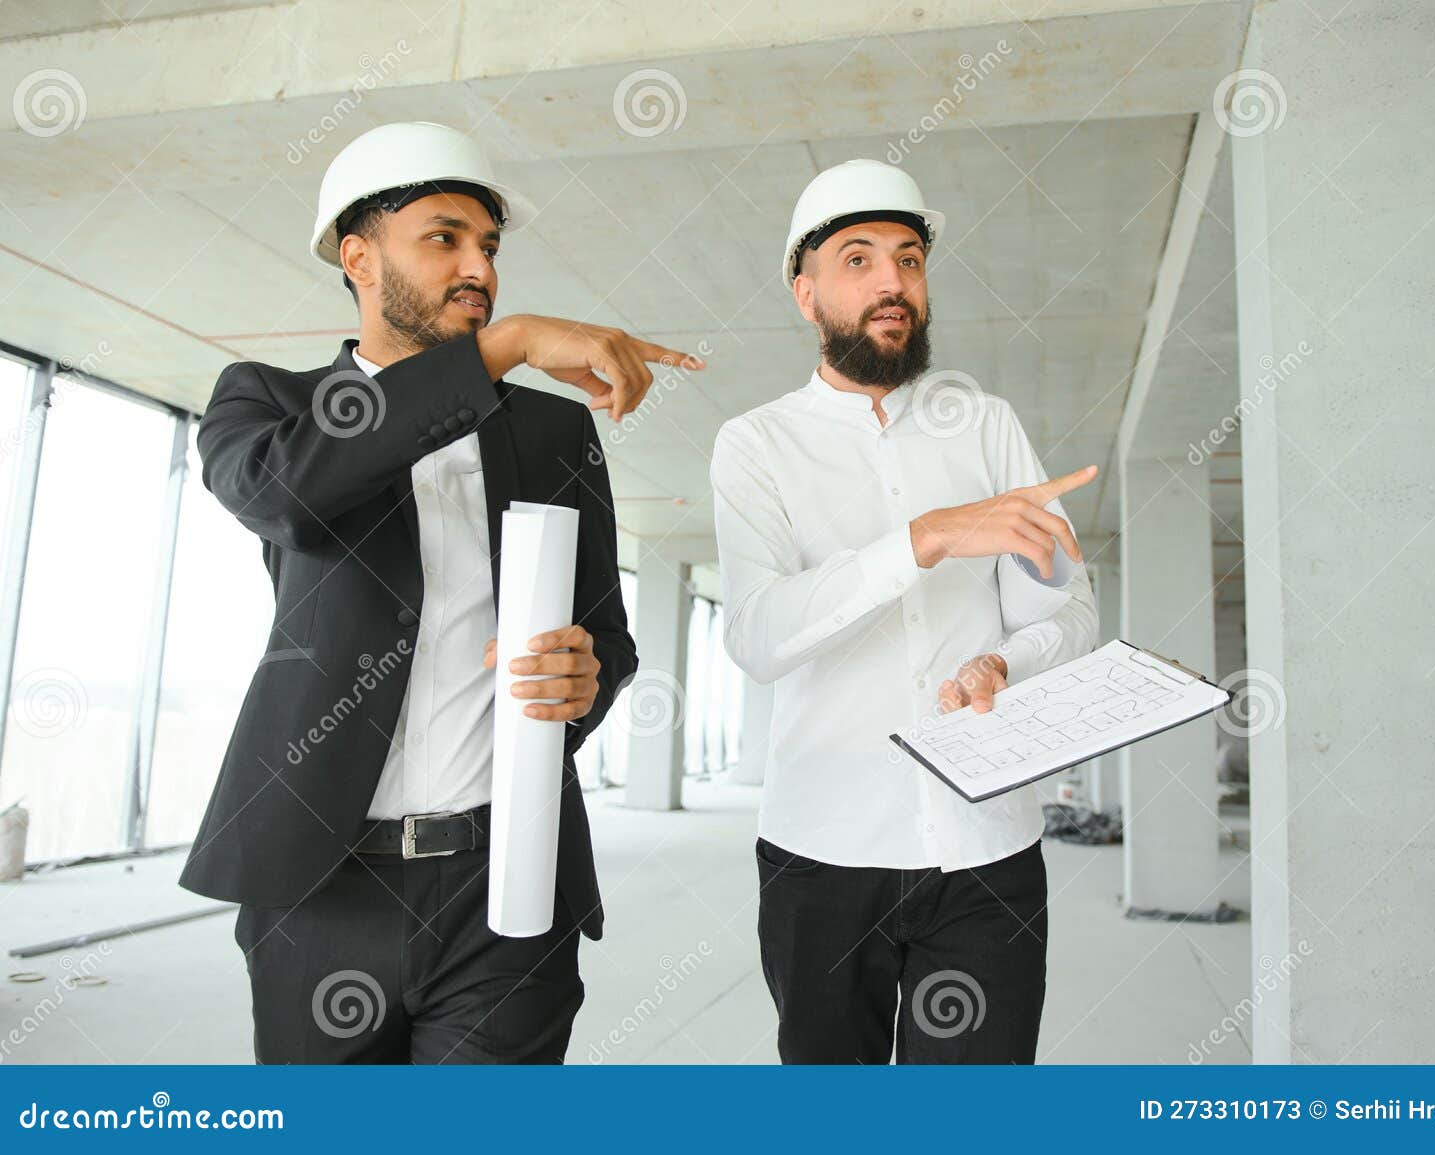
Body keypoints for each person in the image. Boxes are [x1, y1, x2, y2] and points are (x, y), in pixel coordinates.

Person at [179, 121, 703, 1063]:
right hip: (320, 891)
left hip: (503, 885)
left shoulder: (550, 432)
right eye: (445, 237)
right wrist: (497, 352)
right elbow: (290, 497)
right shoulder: (267, 402)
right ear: (359, 255)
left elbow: (607, 636)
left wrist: (585, 678)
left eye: (490, 247)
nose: (479, 268)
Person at [709, 158, 1099, 1063]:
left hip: (987, 846)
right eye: (859, 259)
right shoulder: (756, 445)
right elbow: (758, 636)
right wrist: (920, 538)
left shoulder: (986, 424)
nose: (893, 281)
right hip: (822, 852)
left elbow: (1069, 607)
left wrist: (1012, 662)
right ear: (806, 295)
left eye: (910, 258)